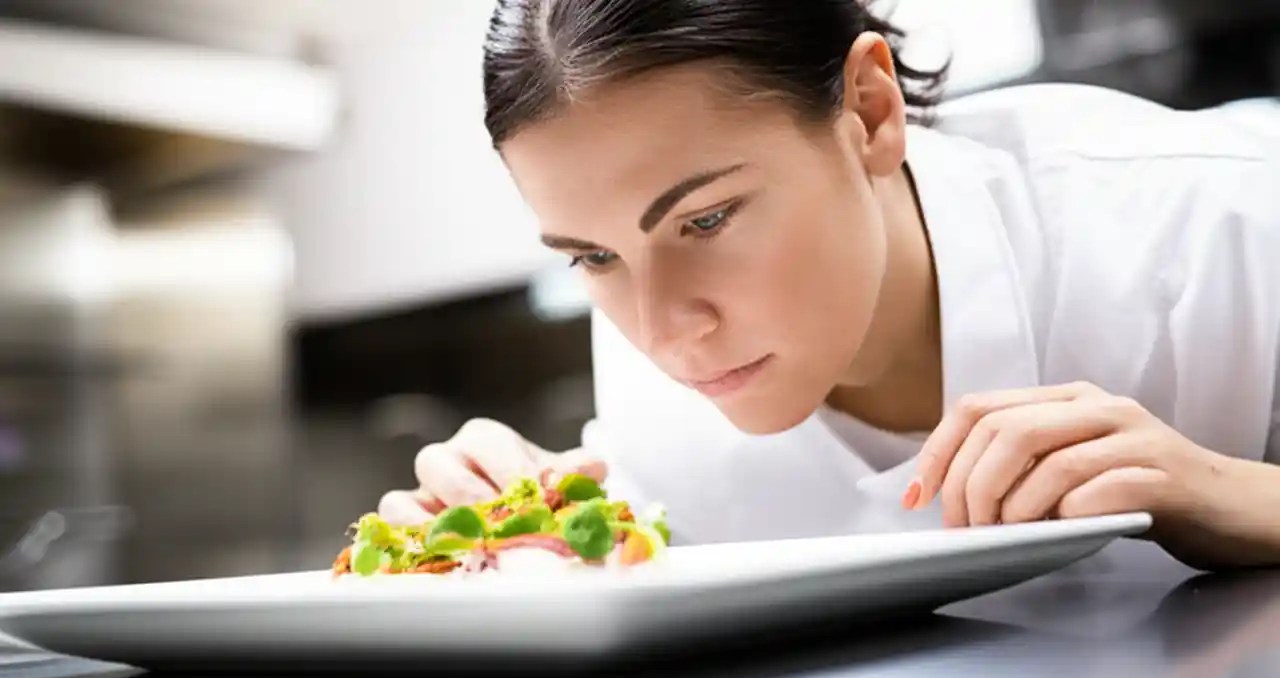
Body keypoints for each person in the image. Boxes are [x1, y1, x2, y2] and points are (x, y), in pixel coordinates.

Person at [378, 0, 1280, 570]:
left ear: (870, 111)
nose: (662, 332)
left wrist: (1230, 493)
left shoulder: (1217, 224)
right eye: (595, 258)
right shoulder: (651, 391)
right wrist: (507, 534)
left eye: (706, 220)